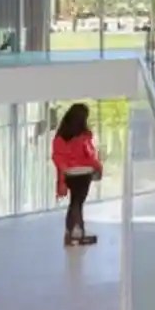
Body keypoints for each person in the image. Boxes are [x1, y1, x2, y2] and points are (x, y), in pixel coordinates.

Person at [52, 103, 103, 247]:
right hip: (83, 174)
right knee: (77, 203)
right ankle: (78, 232)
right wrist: (98, 167)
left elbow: (59, 160)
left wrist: (61, 180)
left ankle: (71, 232)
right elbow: (90, 156)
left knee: (74, 202)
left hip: (70, 175)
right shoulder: (82, 137)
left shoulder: (60, 138)